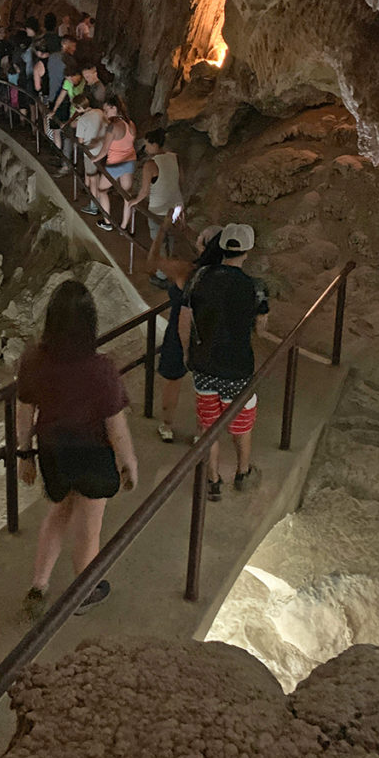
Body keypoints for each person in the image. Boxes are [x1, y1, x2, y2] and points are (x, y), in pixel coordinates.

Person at [16, 280, 138, 618]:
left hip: (53, 453)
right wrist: (128, 464)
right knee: (89, 527)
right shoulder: (102, 370)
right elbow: (116, 428)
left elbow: (25, 412)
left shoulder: (33, 361)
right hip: (92, 455)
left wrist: (24, 455)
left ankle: (38, 585)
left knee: (59, 513)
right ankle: (83, 592)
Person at [178, 224, 270, 501]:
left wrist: (187, 353)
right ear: (247, 250)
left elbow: (184, 322)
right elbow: (262, 328)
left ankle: (213, 481)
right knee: (241, 424)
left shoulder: (199, 278)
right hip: (238, 367)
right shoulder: (255, 287)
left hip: (204, 364)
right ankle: (242, 473)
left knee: (207, 425)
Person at [147, 218, 223, 442]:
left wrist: (162, 231)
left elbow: (152, 264)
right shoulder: (222, 274)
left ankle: (167, 425)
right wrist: (184, 232)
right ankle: (201, 431)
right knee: (206, 385)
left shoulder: (185, 270)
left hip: (179, 330)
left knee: (172, 378)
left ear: (202, 244)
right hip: (209, 332)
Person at [122, 128, 185, 288]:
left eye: (147, 145)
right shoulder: (175, 158)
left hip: (159, 209)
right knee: (170, 239)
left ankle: (163, 276)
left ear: (154, 144)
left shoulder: (150, 164)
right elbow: (181, 181)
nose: (146, 149)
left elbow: (145, 191)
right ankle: (169, 270)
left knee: (159, 241)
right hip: (175, 206)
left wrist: (134, 201)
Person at [92, 96, 137, 232]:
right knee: (126, 196)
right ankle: (124, 227)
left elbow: (104, 150)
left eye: (106, 111)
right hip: (129, 161)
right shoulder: (131, 124)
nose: (105, 114)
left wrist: (94, 159)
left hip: (115, 164)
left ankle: (107, 222)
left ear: (114, 108)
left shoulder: (113, 127)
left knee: (101, 190)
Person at [71, 98, 108, 216]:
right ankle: (99, 203)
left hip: (90, 153)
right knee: (99, 177)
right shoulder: (99, 112)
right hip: (102, 150)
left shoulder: (82, 120)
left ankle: (94, 206)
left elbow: (80, 141)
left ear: (78, 108)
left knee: (93, 179)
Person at [48, 59, 84, 172]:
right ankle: (66, 165)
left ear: (77, 76)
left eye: (71, 78)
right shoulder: (68, 82)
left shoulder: (84, 84)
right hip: (73, 114)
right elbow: (61, 96)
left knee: (78, 142)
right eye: (68, 79)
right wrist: (54, 110)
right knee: (68, 139)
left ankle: (77, 167)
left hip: (82, 117)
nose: (70, 81)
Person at [47, 35, 77, 108]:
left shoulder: (52, 57)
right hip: (64, 97)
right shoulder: (69, 60)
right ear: (64, 44)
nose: (74, 49)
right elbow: (72, 80)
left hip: (51, 94)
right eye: (72, 46)